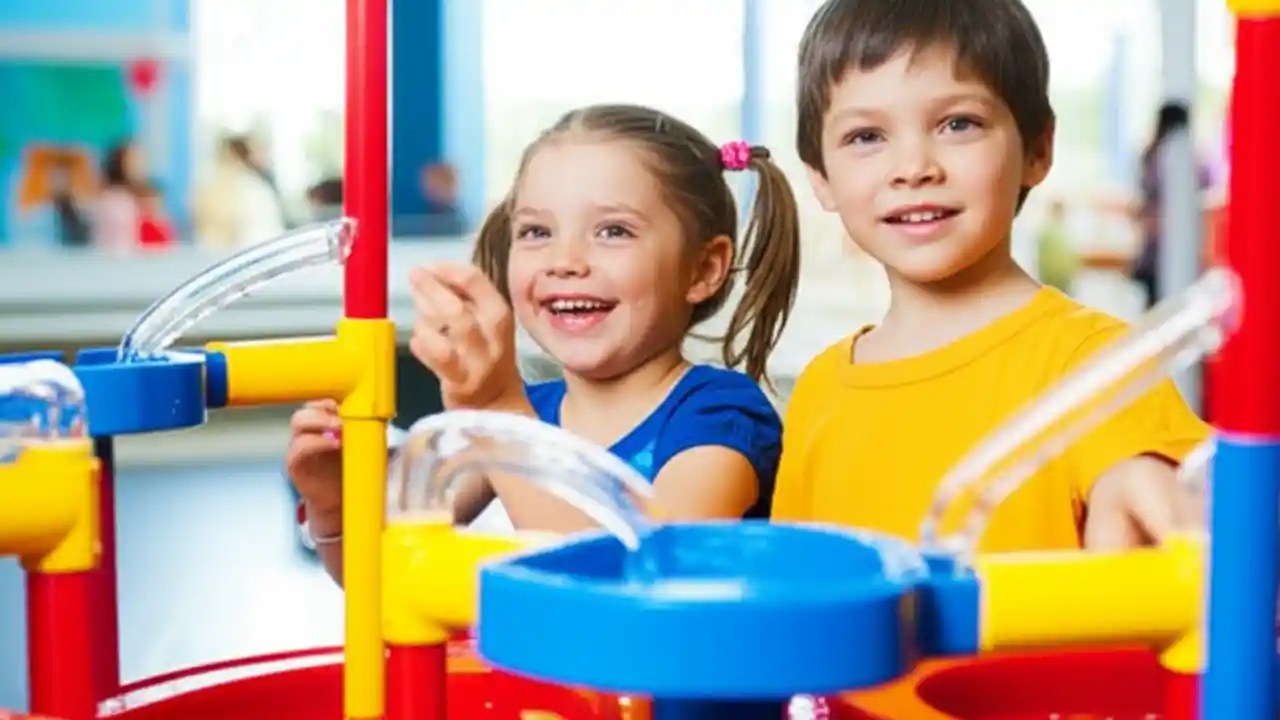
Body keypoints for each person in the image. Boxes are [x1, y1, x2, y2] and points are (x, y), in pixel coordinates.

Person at [288, 104, 803, 583]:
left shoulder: (720, 415)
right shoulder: (526, 416)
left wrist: (499, 410)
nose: (565, 260)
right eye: (536, 232)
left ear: (704, 268)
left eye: (614, 231)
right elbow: (381, 579)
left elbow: (635, 587)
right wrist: (336, 505)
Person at [772, 0, 1209, 554]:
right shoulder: (819, 391)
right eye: (866, 137)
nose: (914, 168)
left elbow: (1163, 502)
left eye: (959, 124)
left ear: (1037, 149)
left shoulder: (1094, 364)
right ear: (820, 177)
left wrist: (1135, 484)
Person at [1131, 101, 1212, 308]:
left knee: (1155, 309)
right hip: (1176, 243)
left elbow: (1143, 201)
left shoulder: (1151, 155)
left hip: (1153, 243)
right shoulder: (1191, 158)